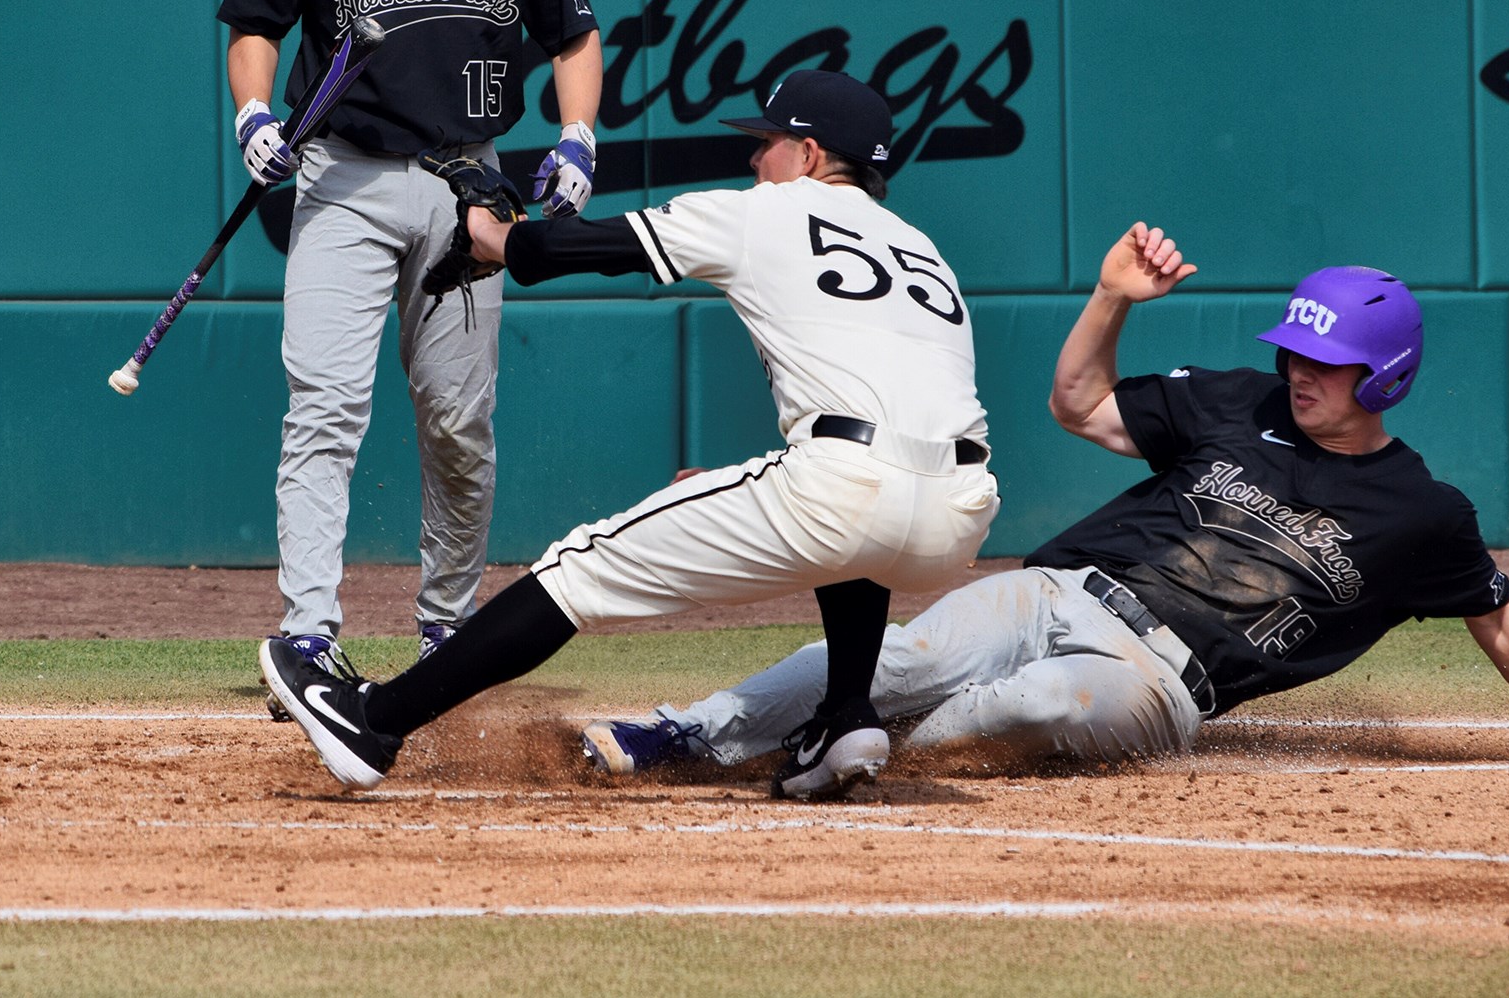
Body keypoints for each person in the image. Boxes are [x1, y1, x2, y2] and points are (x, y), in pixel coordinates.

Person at [580, 224, 1509, 777]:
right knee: (906, 656)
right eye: (1295, 350)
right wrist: (1111, 297)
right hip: (1060, 592)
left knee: (1036, 704)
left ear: (1384, 379)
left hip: (1160, 680)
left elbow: (1498, 609)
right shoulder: (1236, 403)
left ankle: (855, 748)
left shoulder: (1423, 511)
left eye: (1327, 363)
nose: (1301, 372)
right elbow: (1079, 404)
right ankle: (677, 734)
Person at [259, 69, 1003, 799]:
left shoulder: (765, 212)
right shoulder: (923, 251)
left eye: (768, 141)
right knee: (857, 522)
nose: (753, 159)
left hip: (843, 486)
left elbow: (572, 250)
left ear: (808, 156)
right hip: (961, 516)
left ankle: (372, 722)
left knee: (577, 568)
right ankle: (846, 715)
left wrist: (493, 234)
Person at [218, 0, 604, 674]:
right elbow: (254, 23)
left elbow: (572, 35)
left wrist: (578, 134)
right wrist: (253, 112)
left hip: (470, 181)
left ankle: (449, 631)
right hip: (342, 177)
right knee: (323, 405)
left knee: (459, 421)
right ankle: (309, 635)